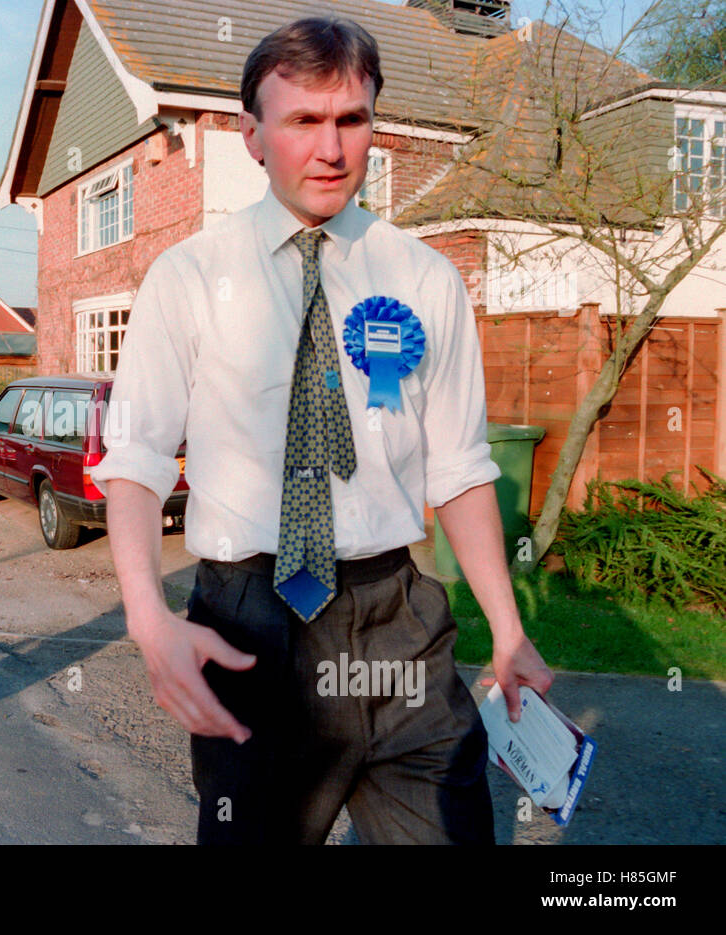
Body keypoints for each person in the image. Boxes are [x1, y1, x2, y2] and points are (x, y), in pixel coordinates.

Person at [89, 16, 554, 844]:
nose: (330, 147)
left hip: (397, 620)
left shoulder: (427, 278)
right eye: (304, 120)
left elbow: (461, 468)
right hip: (251, 628)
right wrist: (145, 618)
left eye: (352, 118)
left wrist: (509, 628)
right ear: (253, 134)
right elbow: (137, 457)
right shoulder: (187, 278)